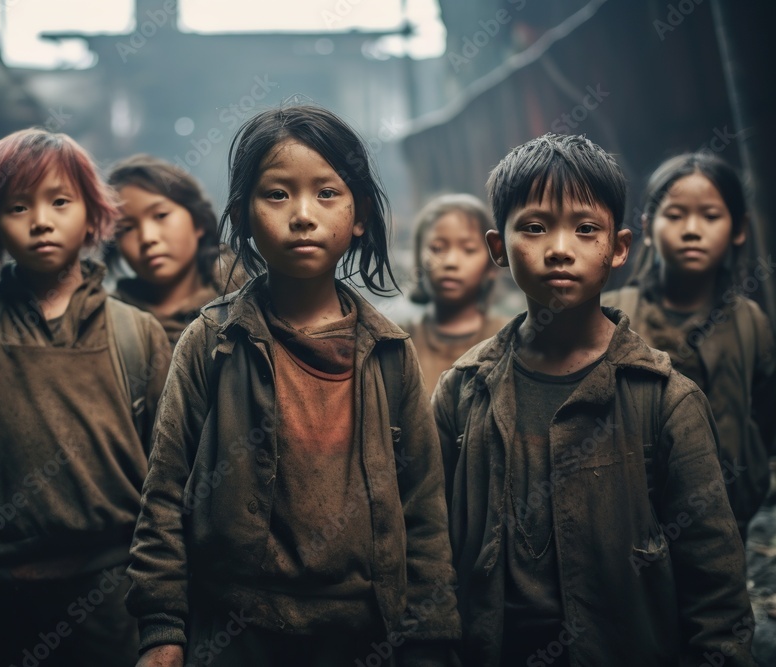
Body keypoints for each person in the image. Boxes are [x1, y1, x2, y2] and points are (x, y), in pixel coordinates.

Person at [126, 105, 461, 667]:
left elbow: (424, 509)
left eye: (327, 193)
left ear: (358, 216)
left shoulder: (390, 355)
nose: (302, 215)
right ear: (244, 215)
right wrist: (162, 626)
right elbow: (163, 494)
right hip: (236, 629)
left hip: (364, 628)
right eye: (277, 195)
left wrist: (430, 638)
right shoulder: (212, 343)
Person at [433, 133, 755, 666]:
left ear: (620, 248)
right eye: (534, 228)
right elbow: (431, 554)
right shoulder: (462, 392)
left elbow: (715, 587)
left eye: (586, 230)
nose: (560, 248)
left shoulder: (665, 400)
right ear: (498, 248)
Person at [0, 128, 170, 666]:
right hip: (3, 601)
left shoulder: (135, 335)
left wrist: (166, 617)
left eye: (60, 201)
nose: (41, 221)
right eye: (17, 206)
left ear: (92, 214)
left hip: (116, 594)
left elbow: (173, 484)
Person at [604, 152, 776, 540]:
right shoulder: (614, 315)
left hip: (728, 517)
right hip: (633, 523)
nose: (692, 229)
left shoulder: (751, 323)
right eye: (675, 215)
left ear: (739, 228)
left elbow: (763, 414)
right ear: (647, 227)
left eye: (711, 216)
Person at [107, 154, 245, 347]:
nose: (147, 238)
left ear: (198, 222)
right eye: (127, 228)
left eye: (161, 215)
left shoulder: (250, 301)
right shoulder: (107, 322)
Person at [402, 193, 509, 393]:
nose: (451, 262)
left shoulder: (511, 340)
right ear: (418, 258)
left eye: (468, 250)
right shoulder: (397, 342)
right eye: (437, 248)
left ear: (492, 265)